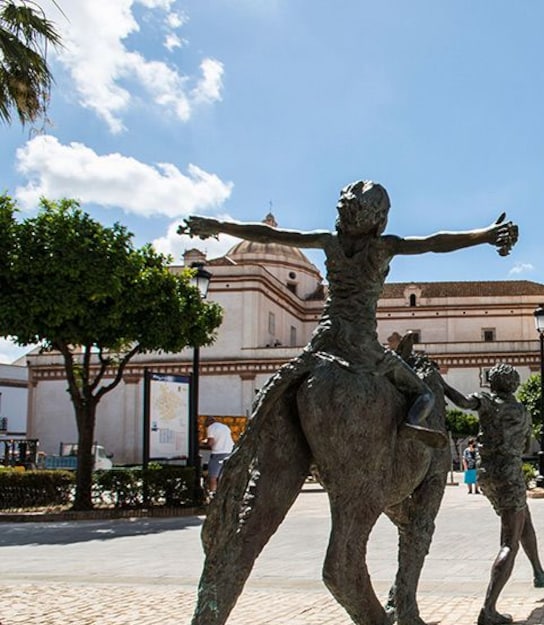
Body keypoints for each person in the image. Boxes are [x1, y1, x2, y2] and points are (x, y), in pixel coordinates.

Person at [179, 181, 518, 449]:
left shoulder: (328, 242)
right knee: (424, 393)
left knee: (275, 388)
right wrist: (484, 235)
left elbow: (269, 234)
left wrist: (217, 224)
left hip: (324, 338)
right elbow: (435, 242)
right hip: (362, 344)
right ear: (379, 218)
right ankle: (410, 426)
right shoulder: (385, 246)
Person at [444, 364, 544, 625]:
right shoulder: (523, 412)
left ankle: (539, 573)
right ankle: (489, 609)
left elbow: (461, 401)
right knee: (509, 542)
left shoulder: (485, 402)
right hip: (510, 475)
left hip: (487, 475)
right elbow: (527, 445)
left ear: (491, 384)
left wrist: (442, 385)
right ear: (515, 385)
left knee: (524, 519)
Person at [203, 417, 235, 496]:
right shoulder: (225, 427)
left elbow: (211, 442)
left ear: (208, 423)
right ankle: (224, 494)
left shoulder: (211, 427)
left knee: (213, 476)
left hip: (218, 453)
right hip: (229, 452)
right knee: (223, 475)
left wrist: (204, 444)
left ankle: (212, 493)